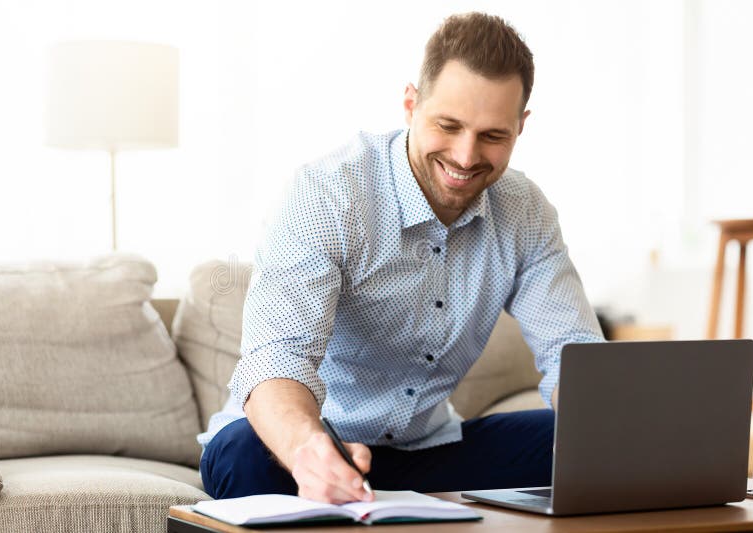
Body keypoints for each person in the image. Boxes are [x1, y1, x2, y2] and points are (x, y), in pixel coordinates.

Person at [198, 11, 604, 504]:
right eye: (448, 125)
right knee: (244, 452)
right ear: (411, 104)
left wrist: (619, 441)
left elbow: (574, 356)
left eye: (493, 136)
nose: (465, 155)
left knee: (580, 444)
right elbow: (277, 360)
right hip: (297, 443)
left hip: (424, 450)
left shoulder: (525, 212)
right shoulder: (328, 195)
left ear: (521, 127)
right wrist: (309, 449)